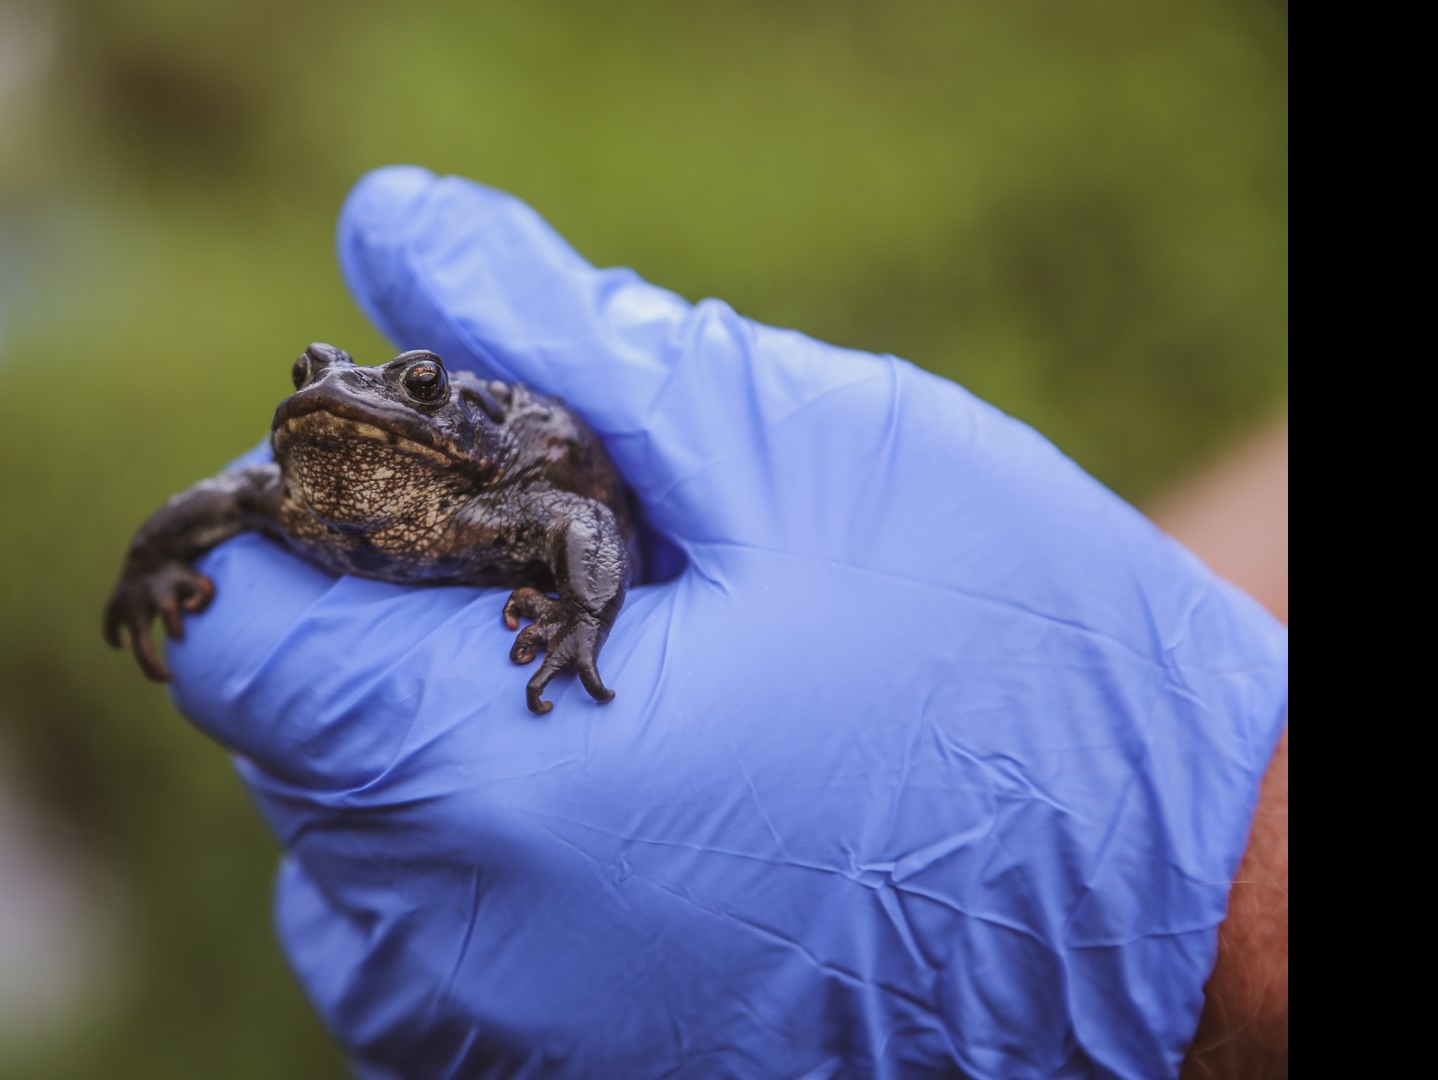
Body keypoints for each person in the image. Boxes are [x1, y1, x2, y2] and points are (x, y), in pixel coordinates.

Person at [162, 166, 1289, 1078]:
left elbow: (577, 530)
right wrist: (154, 573)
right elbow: (214, 508)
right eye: (317, 379)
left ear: (440, 409)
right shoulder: (294, 488)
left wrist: (1196, 873)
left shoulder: (489, 487)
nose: (339, 395)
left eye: (401, 387)